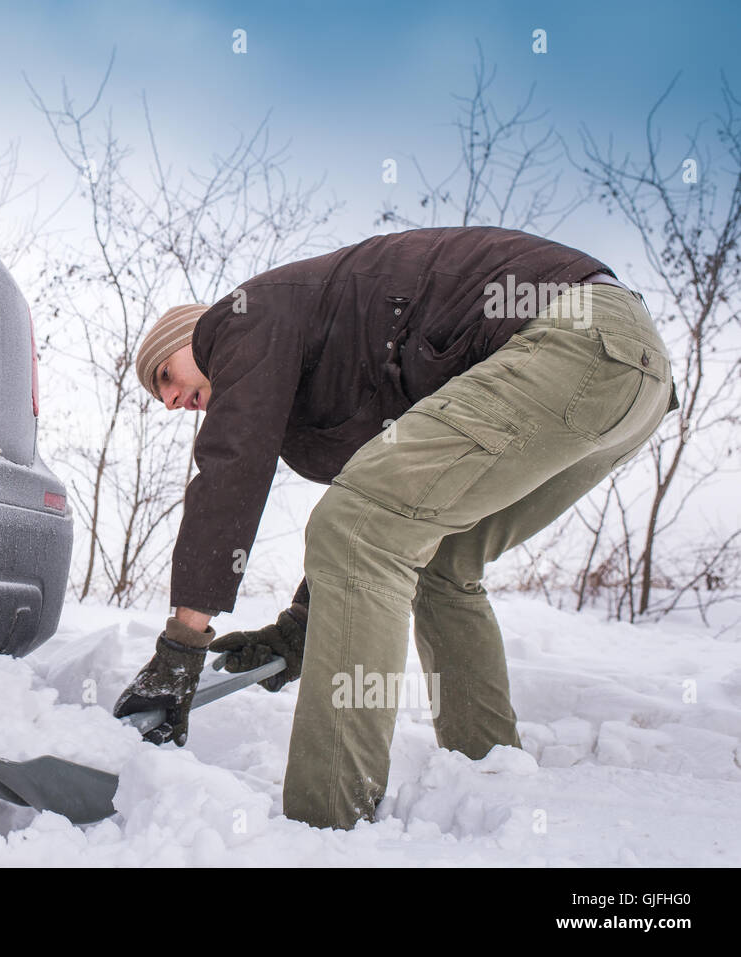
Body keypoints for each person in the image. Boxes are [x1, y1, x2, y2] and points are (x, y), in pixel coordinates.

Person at [112, 225, 678, 830]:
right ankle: (488, 781)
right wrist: (303, 623)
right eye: (159, 395)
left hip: (575, 344)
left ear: (194, 338)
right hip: (628, 378)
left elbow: (233, 469)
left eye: (164, 376)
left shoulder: (242, 317)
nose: (169, 400)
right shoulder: (329, 370)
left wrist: (181, 647)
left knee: (356, 529)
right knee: (442, 561)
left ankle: (324, 826)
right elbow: (392, 499)